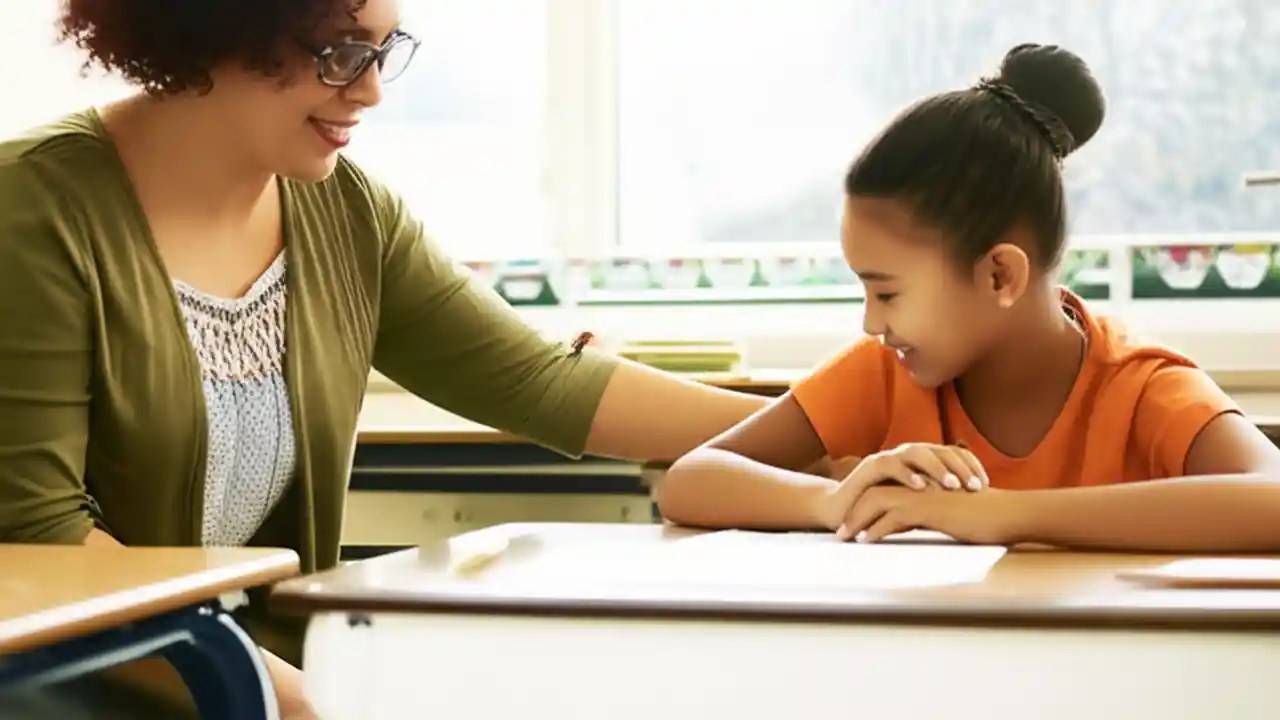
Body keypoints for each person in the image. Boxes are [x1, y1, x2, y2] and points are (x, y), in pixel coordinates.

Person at [0, 1, 775, 716]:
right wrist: (292, 697)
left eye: (381, 52)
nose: (370, 91)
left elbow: (542, 383)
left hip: (237, 681)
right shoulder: (31, 209)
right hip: (62, 691)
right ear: (216, 28)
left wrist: (824, 431)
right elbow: (42, 535)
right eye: (339, 54)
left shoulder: (347, 214)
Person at [658, 44, 1280, 552]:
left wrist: (1007, 515)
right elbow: (689, 481)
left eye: (888, 291)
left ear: (999, 276)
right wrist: (833, 500)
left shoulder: (1139, 387)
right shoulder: (883, 374)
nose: (872, 322)